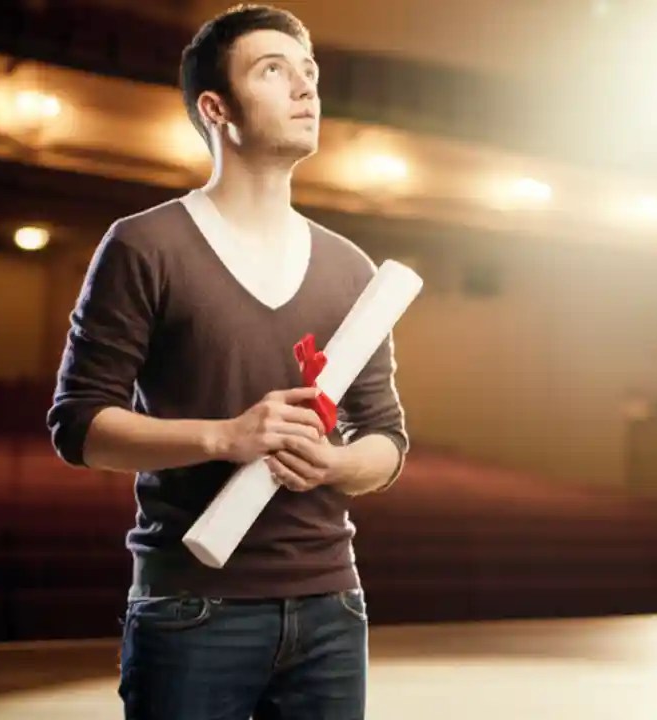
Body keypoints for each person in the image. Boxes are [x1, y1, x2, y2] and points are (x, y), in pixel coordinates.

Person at [45, 5, 409, 718]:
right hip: (191, 607)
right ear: (216, 108)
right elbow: (79, 426)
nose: (306, 89)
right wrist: (226, 437)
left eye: (310, 73)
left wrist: (335, 466)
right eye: (274, 71)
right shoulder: (145, 245)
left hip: (333, 604)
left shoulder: (351, 268)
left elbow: (387, 442)